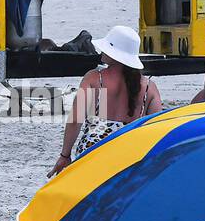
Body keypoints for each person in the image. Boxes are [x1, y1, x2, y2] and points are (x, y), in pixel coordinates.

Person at [51, 26, 163, 176]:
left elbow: (75, 120)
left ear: (116, 55)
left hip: (93, 152)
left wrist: (65, 155)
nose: (101, 51)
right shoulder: (150, 88)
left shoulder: (94, 78)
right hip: (129, 156)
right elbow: (157, 129)